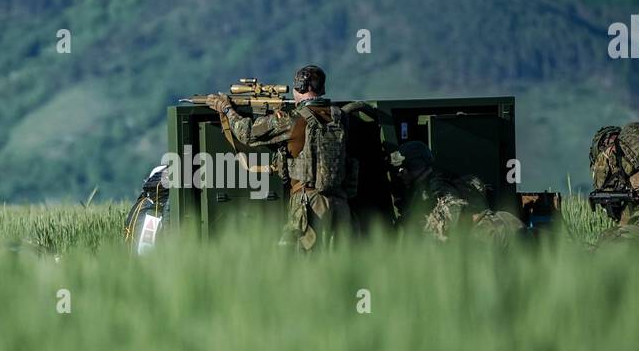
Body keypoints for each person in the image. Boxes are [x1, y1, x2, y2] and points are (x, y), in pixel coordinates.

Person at [211, 65, 356, 251]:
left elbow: (246, 133)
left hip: (308, 203)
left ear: (298, 88)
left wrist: (227, 109)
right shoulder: (340, 116)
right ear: (322, 89)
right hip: (341, 203)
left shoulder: (293, 119)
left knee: (301, 263)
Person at [388, 141, 522, 246]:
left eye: (402, 169)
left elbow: (454, 212)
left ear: (415, 165)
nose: (400, 174)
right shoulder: (431, 183)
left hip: (487, 235)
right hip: (494, 230)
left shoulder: (436, 184)